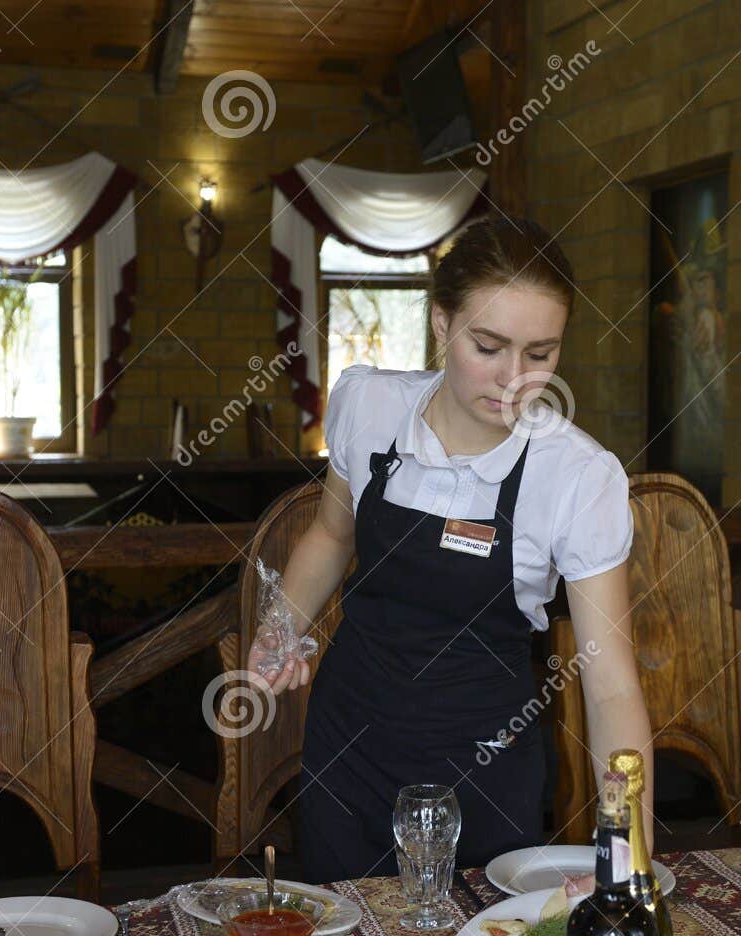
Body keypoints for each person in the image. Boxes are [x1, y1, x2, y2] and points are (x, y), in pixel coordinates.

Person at [252, 215, 653, 884]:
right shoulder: (369, 405)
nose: (514, 380)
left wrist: (627, 854)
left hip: (485, 763)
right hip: (349, 745)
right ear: (441, 323)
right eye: (489, 346)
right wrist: (281, 625)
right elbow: (330, 534)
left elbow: (611, 687)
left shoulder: (576, 476)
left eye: (541, 353)